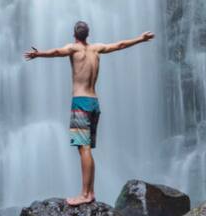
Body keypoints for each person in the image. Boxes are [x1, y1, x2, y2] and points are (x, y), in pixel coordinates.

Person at [24, 20, 155, 205]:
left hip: (81, 103)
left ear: (74, 35)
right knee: (87, 150)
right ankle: (90, 191)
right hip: (94, 103)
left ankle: (85, 194)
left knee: (83, 149)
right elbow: (120, 45)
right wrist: (141, 39)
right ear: (88, 34)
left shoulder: (73, 49)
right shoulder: (96, 49)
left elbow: (56, 52)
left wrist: (38, 54)